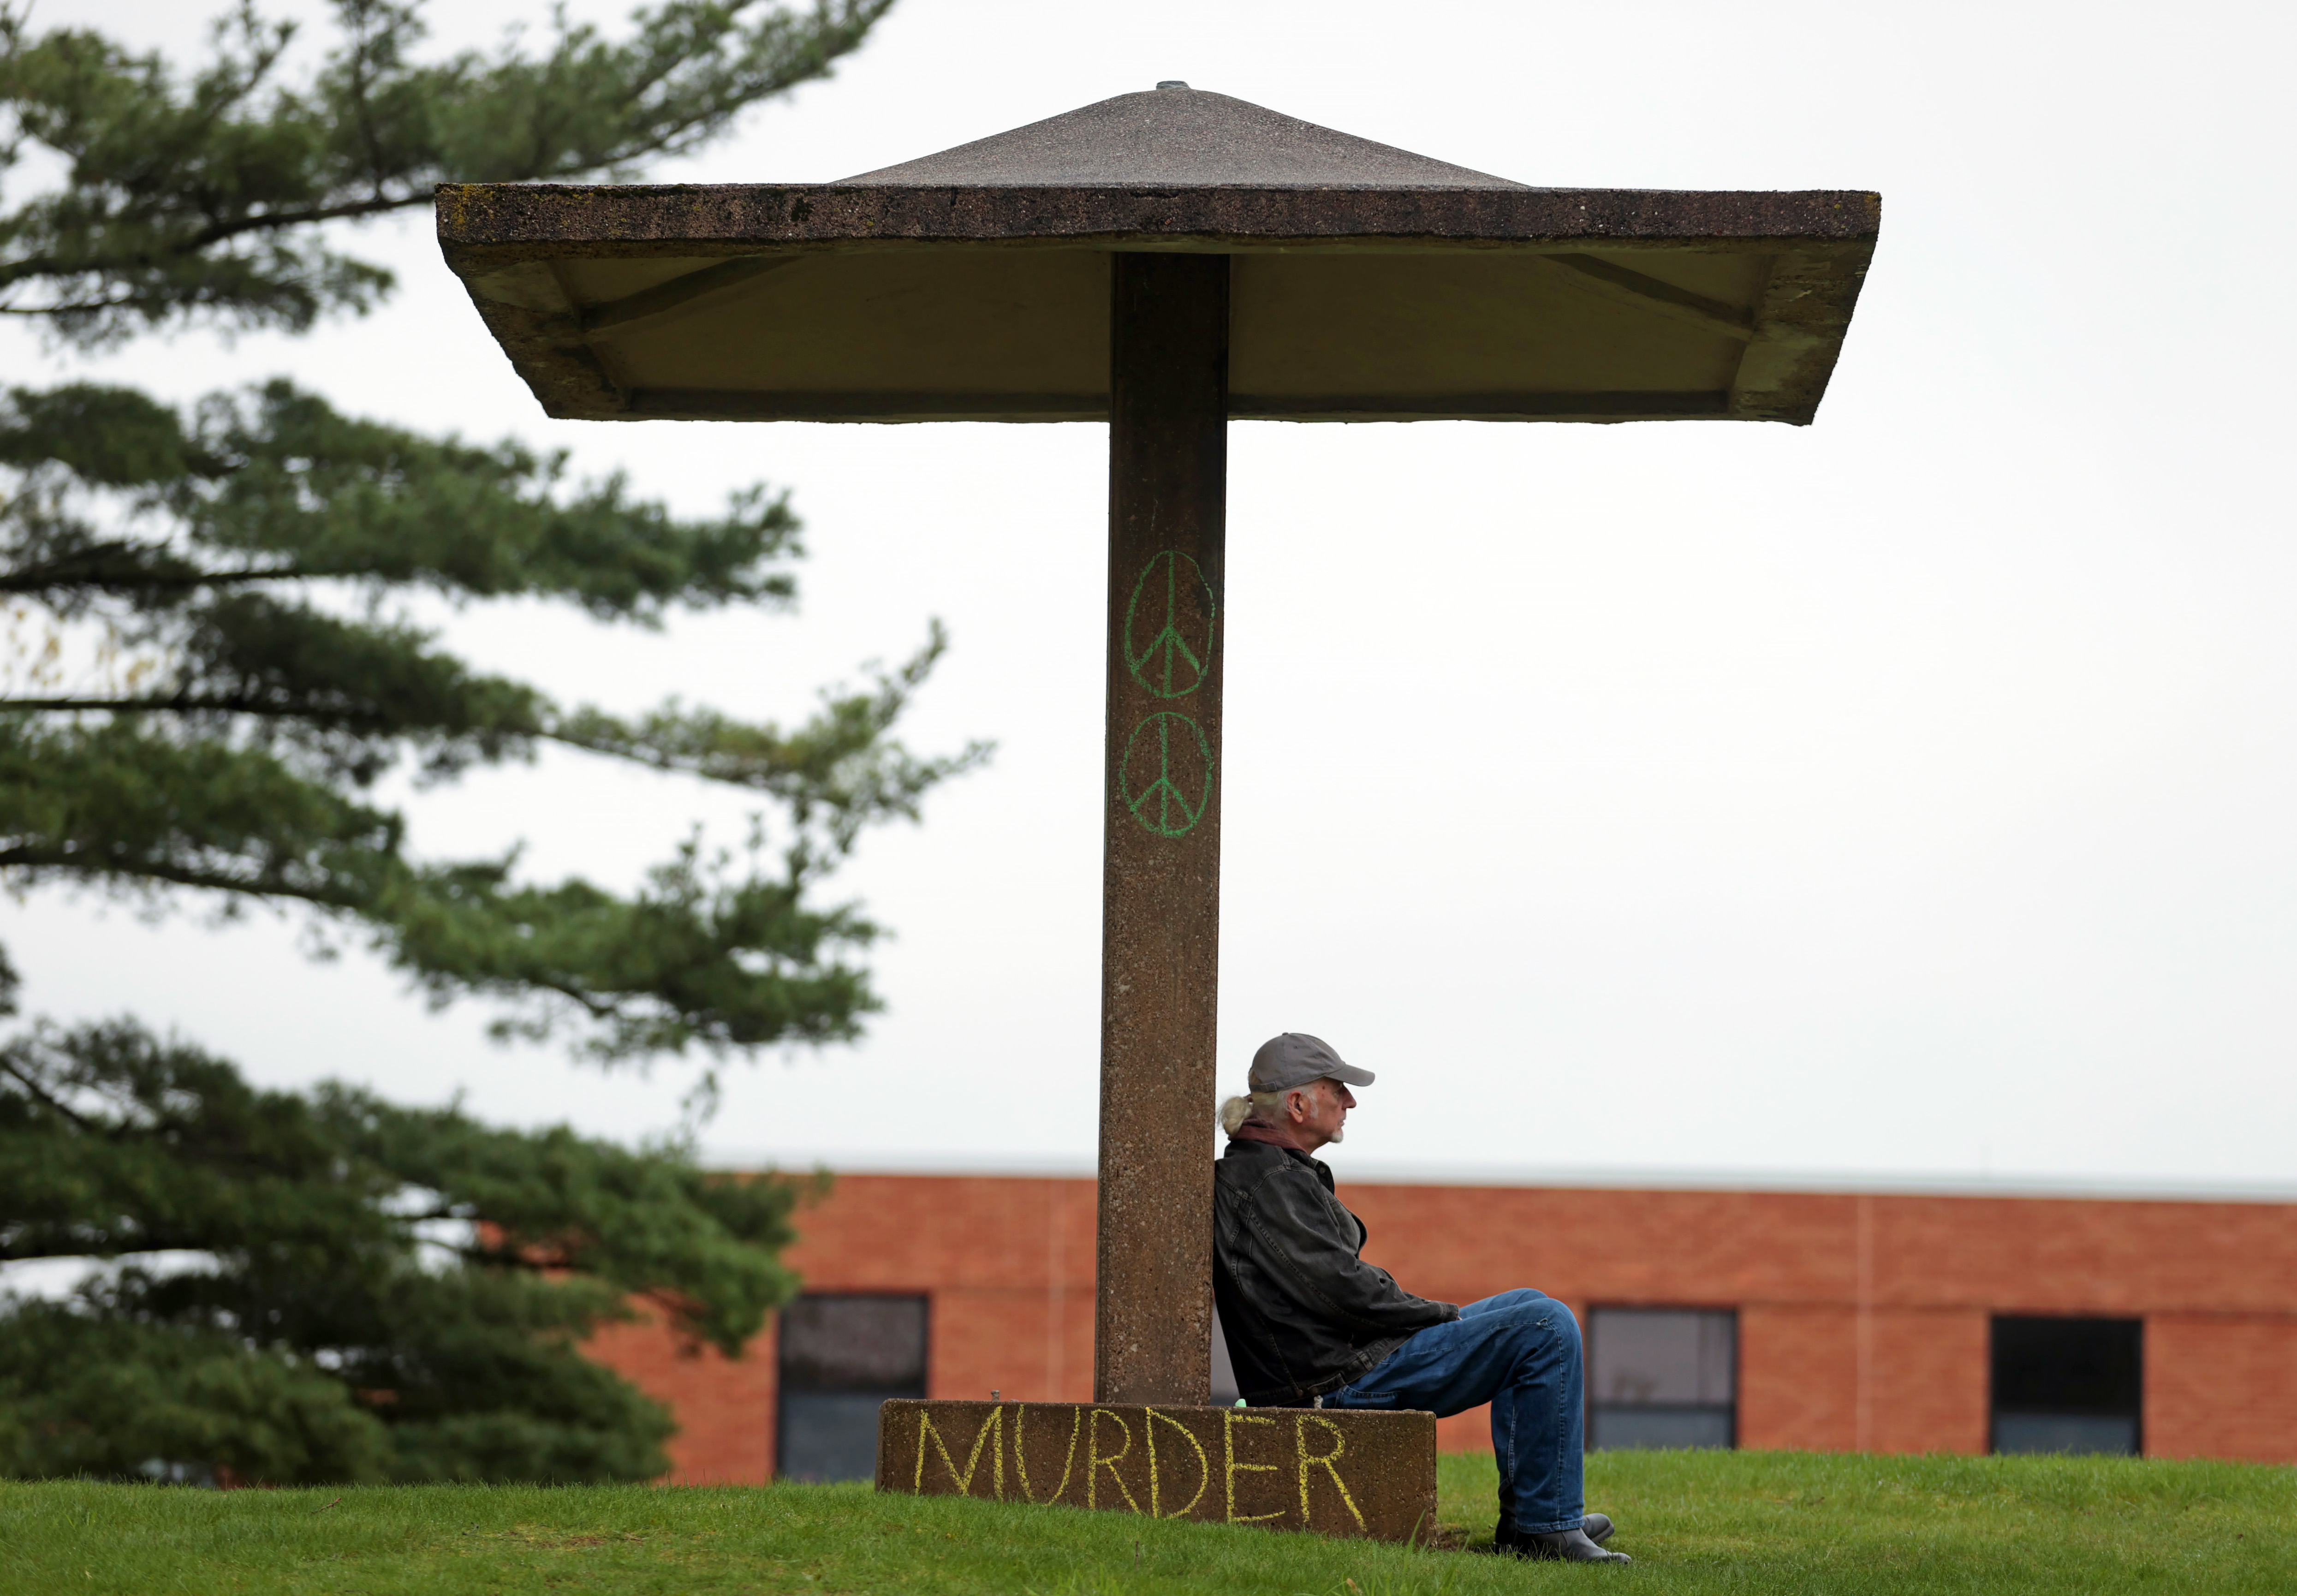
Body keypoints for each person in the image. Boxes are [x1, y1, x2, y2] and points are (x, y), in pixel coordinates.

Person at [1212, 1032, 1629, 1565]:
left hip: (1341, 1365)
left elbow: (1332, 1286)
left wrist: (1428, 1318)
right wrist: (1437, 1315)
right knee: (1544, 1326)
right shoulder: (1270, 1180)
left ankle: (1535, 1515)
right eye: (1337, 1089)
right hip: (1334, 1382)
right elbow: (1341, 1287)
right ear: (1297, 1103)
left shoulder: (1271, 1172)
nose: (1350, 1101)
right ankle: (1545, 1527)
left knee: (1528, 1302)